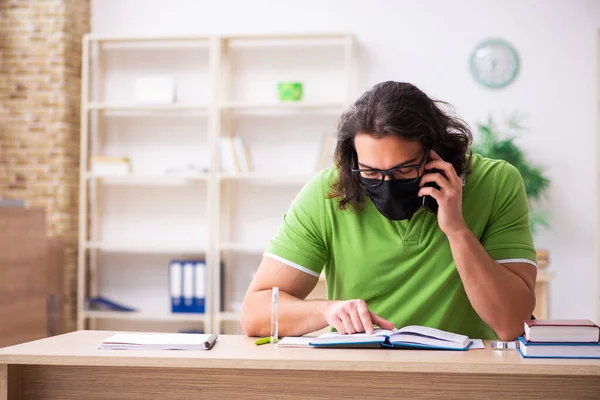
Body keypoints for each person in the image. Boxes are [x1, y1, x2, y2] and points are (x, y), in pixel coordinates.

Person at [240, 81, 537, 340]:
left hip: (460, 377)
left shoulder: (496, 183)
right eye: (370, 172)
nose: (386, 184)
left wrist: (457, 229)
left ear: (437, 153)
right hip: (359, 374)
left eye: (405, 170)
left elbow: (511, 324)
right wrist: (327, 310)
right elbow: (255, 315)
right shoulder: (328, 191)